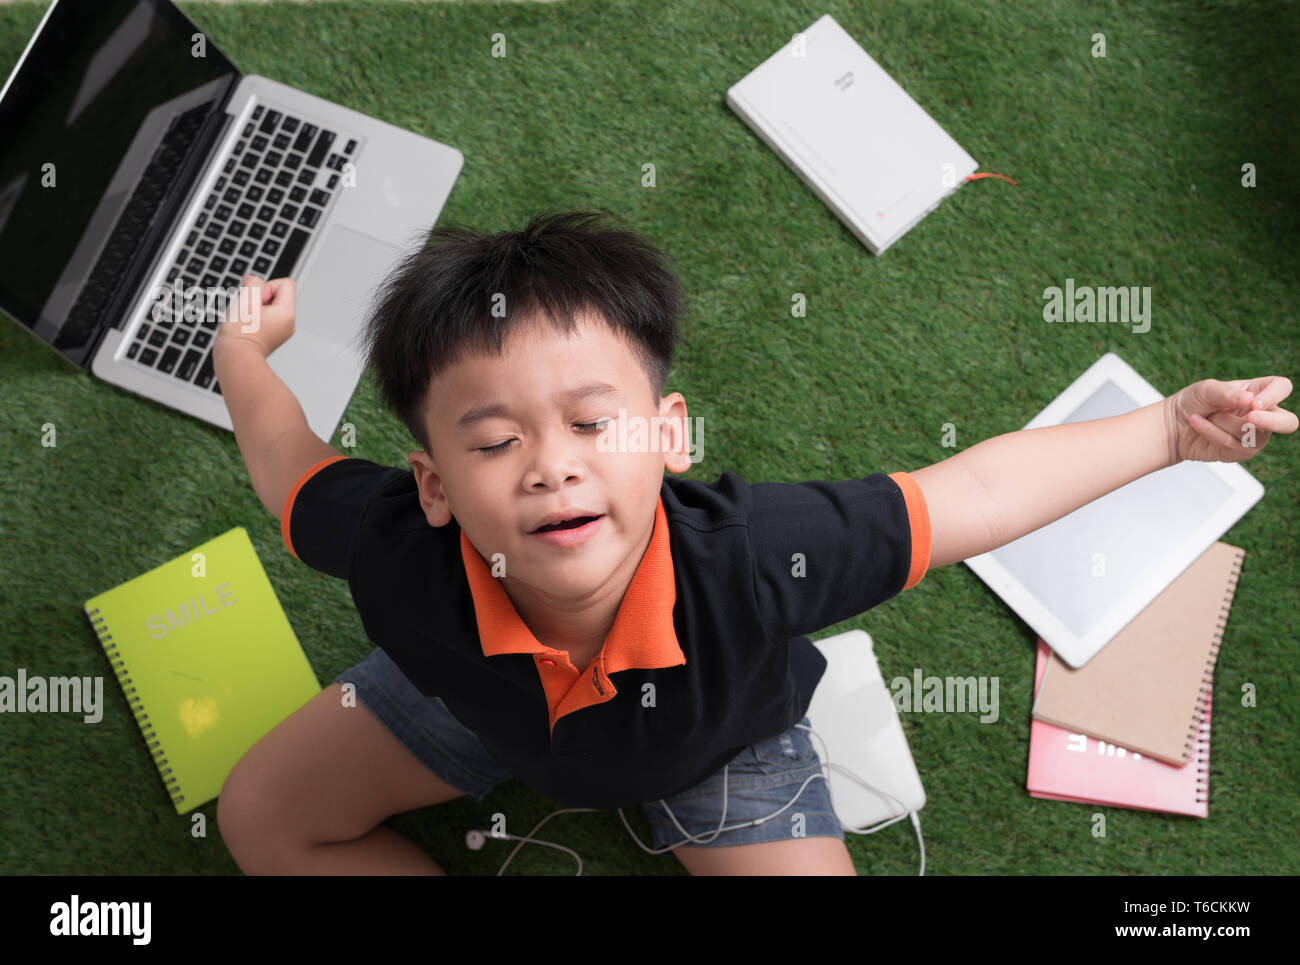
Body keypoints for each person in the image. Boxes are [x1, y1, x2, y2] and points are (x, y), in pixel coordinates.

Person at [210, 209, 1294, 875]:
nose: (552, 464)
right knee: (260, 815)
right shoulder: (396, 547)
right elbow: (287, 463)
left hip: (723, 747)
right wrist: (243, 353)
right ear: (435, 486)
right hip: (468, 706)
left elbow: (975, 491)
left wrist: (1164, 428)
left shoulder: (758, 553)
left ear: (669, 434)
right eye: (496, 441)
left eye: (593, 423)